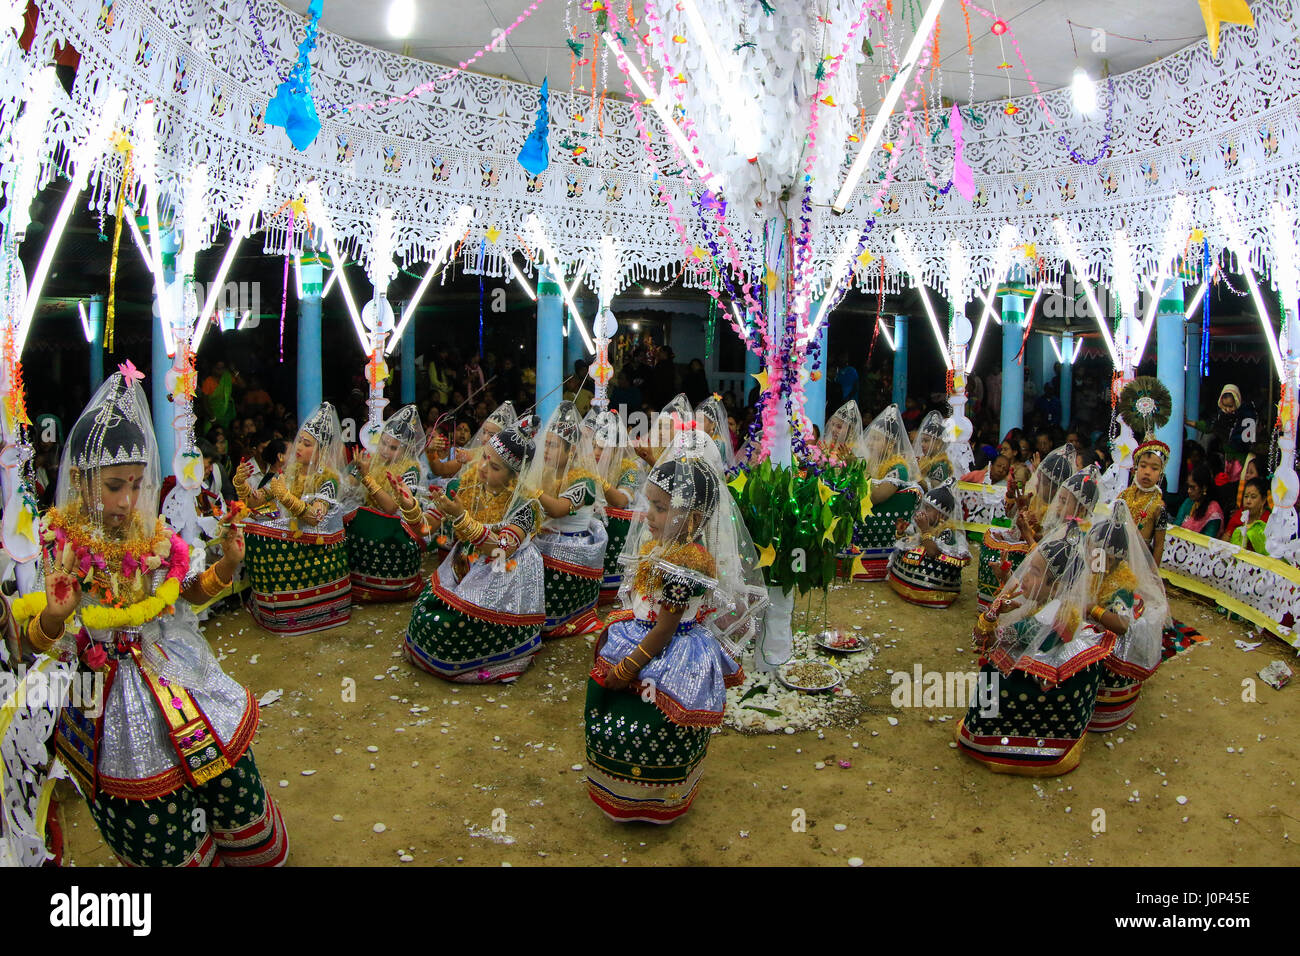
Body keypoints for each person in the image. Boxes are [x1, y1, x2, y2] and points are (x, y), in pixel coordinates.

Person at [14, 368, 286, 865]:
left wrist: (227, 563)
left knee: (228, 768)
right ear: (79, 479)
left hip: (171, 664)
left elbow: (181, 594)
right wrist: (56, 616)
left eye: (137, 485)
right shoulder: (58, 548)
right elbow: (37, 643)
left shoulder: (152, 532)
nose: (127, 500)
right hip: (102, 691)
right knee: (147, 805)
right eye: (115, 485)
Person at [584, 427, 765, 823]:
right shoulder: (661, 548)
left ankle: (655, 799)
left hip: (670, 653)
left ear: (694, 518)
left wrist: (628, 665)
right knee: (620, 718)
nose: (648, 516)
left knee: (654, 726)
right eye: (649, 504)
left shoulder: (687, 563)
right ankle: (627, 794)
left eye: (661, 508)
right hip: (644, 636)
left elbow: (665, 628)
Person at [956, 524, 1114, 775]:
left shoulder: (1040, 621)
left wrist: (991, 616)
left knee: (992, 672)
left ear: (1057, 586)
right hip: (1059, 677)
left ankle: (990, 737)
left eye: (1035, 572)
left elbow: (988, 640)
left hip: (1043, 681)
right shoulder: (1062, 609)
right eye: (1028, 568)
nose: (1025, 577)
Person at [402, 425, 546, 682]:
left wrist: (461, 518)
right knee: (423, 616)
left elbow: (500, 549)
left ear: (513, 477)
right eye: (484, 458)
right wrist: (409, 506)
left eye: (495, 467)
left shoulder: (525, 506)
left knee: (453, 632)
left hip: (503, 576)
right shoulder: (463, 486)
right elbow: (425, 528)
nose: (482, 468)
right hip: (463, 565)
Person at [236, 403, 352, 635]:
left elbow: (315, 517)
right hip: (291, 542)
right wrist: (241, 484)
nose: (298, 447)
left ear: (321, 452)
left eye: (307, 444)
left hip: (317, 549)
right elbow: (256, 501)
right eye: (299, 441)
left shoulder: (329, 480)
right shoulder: (288, 474)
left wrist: (286, 498)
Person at [524, 401, 609, 637]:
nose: (546, 451)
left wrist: (533, 490)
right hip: (544, 543)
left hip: (570, 551)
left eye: (552, 446)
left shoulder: (585, 481)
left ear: (570, 451)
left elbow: (558, 509)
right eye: (546, 445)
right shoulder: (548, 474)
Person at [1085, 502, 1170, 733]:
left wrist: (1092, 609)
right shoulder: (1098, 573)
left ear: (1110, 560)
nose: (1087, 558)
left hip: (1116, 649)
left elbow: (1122, 625)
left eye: (1093, 554)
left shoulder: (1120, 587)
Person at [975, 444, 1075, 607]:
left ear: (1054, 487)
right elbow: (1011, 518)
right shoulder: (1036, 499)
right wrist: (1018, 504)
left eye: (1041, 482)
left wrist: (1028, 533)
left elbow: (1045, 549)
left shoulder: (1061, 514)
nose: (1035, 485)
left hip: (1038, 566)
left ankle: (1007, 601)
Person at [344, 405, 427, 602]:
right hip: (370, 522)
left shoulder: (411, 470)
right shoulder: (372, 460)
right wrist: (356, 470)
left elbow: (391, 508)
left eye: (393, 448)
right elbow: (348, 489)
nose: (385, 451)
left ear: (406, 450)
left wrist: (366, 477)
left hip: (396, 531)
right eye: (383, 443)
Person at [849, 404, 921, 582]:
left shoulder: (898, 468)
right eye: (871, 438)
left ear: (890, 444)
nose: (870, 443)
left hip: (882, 526)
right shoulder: (871, 464)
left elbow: (876, 497)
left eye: (876, 439)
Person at [886, 480, 971, 608]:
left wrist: (925, 530)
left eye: (929, 509)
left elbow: (933, 553)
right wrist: (901, 533)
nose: (924, 512)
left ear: (942, 514)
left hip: (935, 586)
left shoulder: (947, 532)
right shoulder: (924, 526)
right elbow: (908, 542)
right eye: (925, 507)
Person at [591, 409, 646, 605]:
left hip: (616, 532)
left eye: (603, 449)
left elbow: (621, 501)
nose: (597, 453)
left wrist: (598, 481)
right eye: (594, 447)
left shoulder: (629, 468)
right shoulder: (588, 463)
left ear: (615, 449)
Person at [1116, 437, 1170, 564]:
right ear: (1135, 468)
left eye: (1154, 468)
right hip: (1116, 556)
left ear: (1160, 474)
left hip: (1140, 563)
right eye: (1143, 466)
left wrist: (1153, 576)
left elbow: (1158, 546)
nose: (1147, 472)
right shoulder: (1123, 496)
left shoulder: (1158, 507)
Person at [1174, 463, 1225, 537]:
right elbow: (1176, 526)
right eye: (1188, 486)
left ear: (1204, 488)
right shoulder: (1188, 502)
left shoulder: (1213, 512)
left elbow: (1208, 539)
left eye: (1192, 487)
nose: (1188, 491)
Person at [1223, 476, 1271, 552]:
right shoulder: (1239, 515)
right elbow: (1224, 542)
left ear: (1263, 500)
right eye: (1246, 496)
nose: (1248, 501)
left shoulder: (1268, 520)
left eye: (1253, 497)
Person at [914, 411, 955, 490]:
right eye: (922, 441)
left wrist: (918, 478)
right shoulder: (923, 460)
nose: (922, 444)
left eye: (926, 441)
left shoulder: (940, 465)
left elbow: (935, 490)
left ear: (939, 443)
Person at [694, 395, 736, 469]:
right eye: (696, 420)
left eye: (701, 421)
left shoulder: (718, 443)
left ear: (713, 425)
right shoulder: (696, 438)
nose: (696, 424)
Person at [822, 400, 865, 465]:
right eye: (833, 424)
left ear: (851, 430)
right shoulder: (828, 444)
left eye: (839, 427)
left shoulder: (856, 450)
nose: (833, 429)